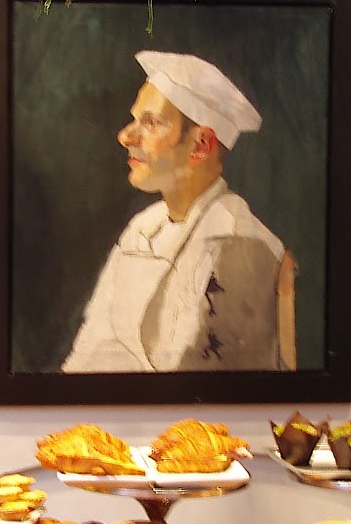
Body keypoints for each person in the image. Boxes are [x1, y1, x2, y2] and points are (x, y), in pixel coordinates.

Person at [63, 50, 294, 373]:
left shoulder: (241, 243)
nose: (126, 136)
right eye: (134, 119)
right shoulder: (141, 229)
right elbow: (88, 355)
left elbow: (203, 381)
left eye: (152, 123)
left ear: (200, 145)